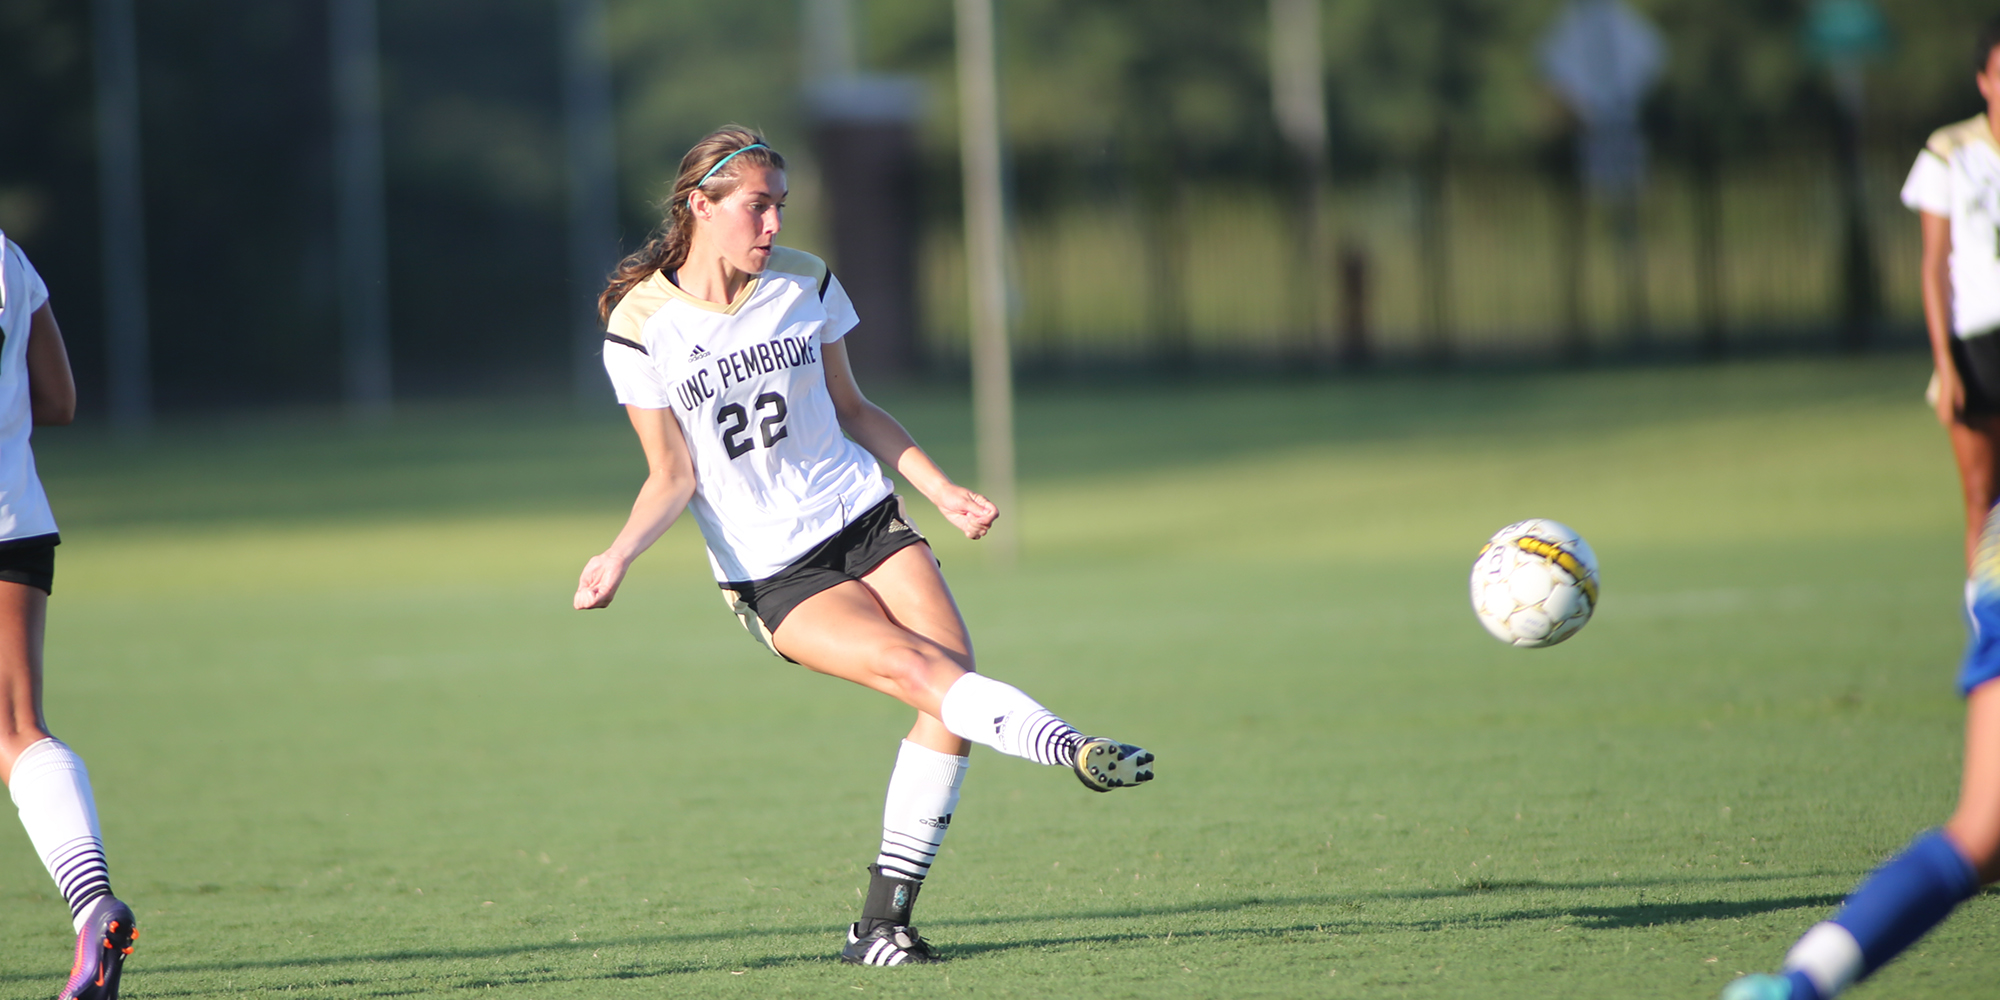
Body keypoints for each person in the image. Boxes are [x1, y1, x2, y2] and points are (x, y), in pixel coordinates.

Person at [573, 126, 1155, 967]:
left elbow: (854, 407)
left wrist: (942, 489)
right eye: (756, 207)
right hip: (773, 568)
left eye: (780, 205)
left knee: (949, 697)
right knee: (932, 678)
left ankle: (881, 927)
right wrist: (618, 555)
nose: (773, 224)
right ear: (700, 207)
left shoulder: (805, 280)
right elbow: (671, 475)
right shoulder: (641, 325)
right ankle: (1073, 748)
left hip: (865, 516)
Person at [1722, 28, 2000, 1000]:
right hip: (1979, 380)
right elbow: (1933, 262)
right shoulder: (1951, 152)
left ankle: (1796, 986)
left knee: (1981, 829)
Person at [0, 233, 137, 999]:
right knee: (17, 727)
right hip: (13, 516)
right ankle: (92, 906)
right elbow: (58, 400)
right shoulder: (8, 258)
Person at [1910, 17, 2000, 571]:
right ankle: (1991, 647)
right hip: (1977, 346)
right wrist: (1945, 365)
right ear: (1984, 80)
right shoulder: (1951, 150)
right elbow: (1934, 264)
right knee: (1984, 505)